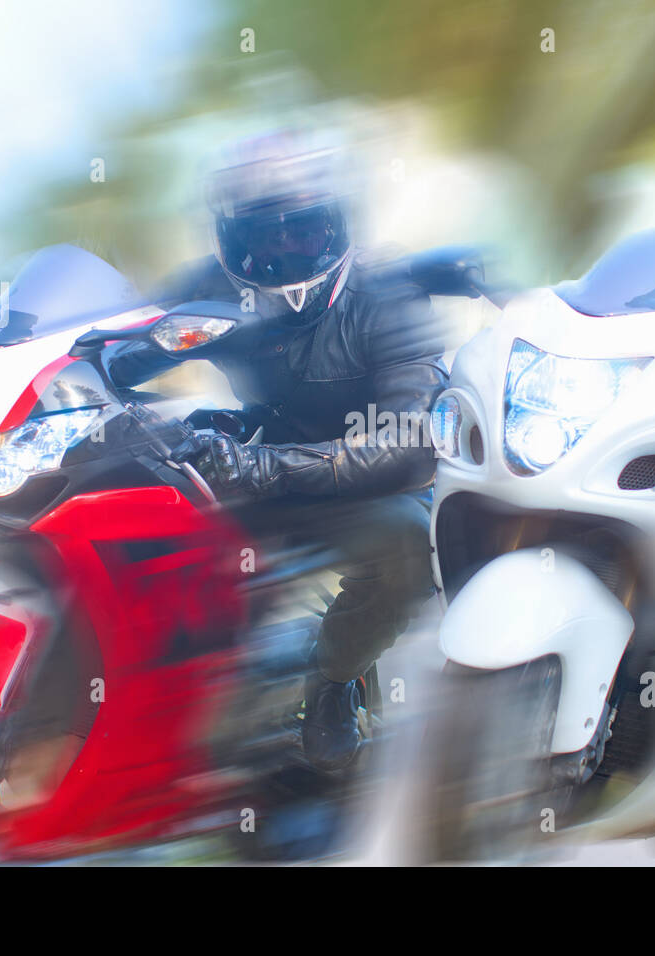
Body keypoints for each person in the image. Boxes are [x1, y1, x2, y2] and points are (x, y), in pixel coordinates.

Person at [117, 131, 448, 770]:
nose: (284, 248)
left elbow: (410, 443)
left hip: (361, 486)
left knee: (410, 543)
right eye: (264, 236)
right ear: (232, 238)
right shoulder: (210, 288)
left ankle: (333, 680)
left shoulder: (388, 293)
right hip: (250, 467)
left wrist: (264, 466)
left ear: (337, 225)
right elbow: (124, 347)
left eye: (303, 230)